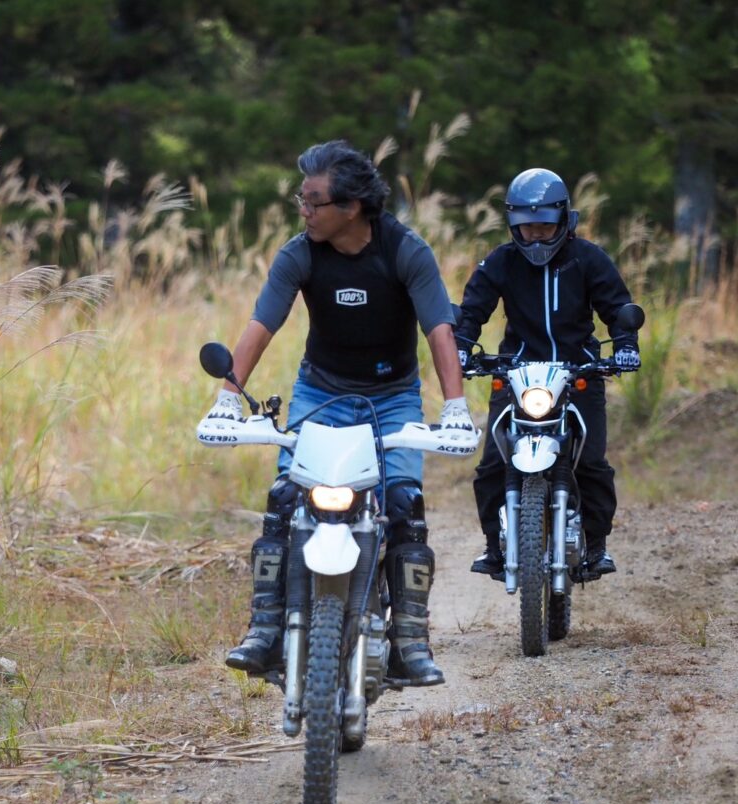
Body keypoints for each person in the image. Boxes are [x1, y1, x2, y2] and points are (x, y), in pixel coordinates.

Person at [203, 140, 474, 685]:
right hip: (320, 393)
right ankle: (264, 628)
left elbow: (439, 330)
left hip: (392, 396)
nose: (303, 210)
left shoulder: (406, 251)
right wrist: (228, 398)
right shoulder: (299, 253)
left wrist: (456, 408)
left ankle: (410, 641)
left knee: (404, 506)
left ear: (351, 207)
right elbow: (262, 323)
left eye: (313, 201)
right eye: (300, 200)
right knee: (285, 501)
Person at [456, 167, 640, 580]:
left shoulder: (587, 258)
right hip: (516, 375)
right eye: (527, 228)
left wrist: (626, 346)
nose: (536, 237)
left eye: (544, 227)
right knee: (492, 463)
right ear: (513, 225)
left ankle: (596, 545)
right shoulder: (501, 261)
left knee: (590, 462)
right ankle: (494, 547)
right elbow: (472, 310)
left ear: (564, 220)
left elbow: (617, 308)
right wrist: (462, 346)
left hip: (579, 373)